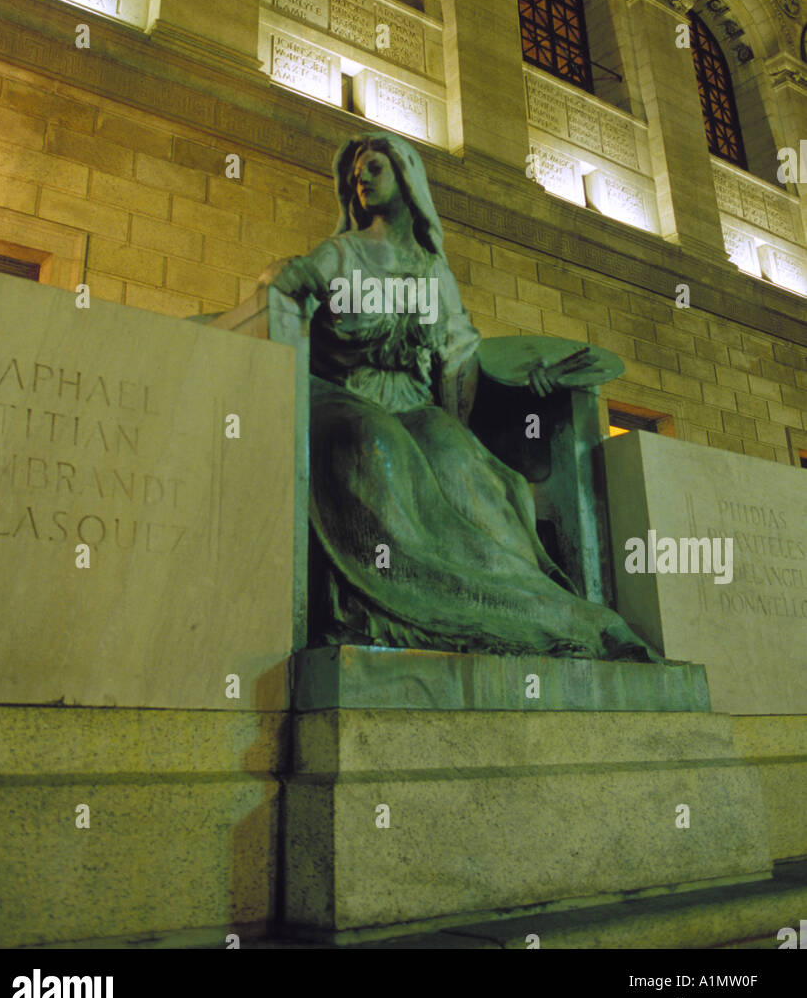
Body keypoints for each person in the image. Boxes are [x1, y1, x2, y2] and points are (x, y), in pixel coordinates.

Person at [258, 130, 655, 661]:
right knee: (377, 447)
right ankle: (415, 604)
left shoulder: (433, 272)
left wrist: (530, 384)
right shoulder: (341, 254)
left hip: (414, 408)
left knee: (474, 476)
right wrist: (274, 278)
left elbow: (463, 355)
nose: (363, 179)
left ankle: (556, 612)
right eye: (357, 175)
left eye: (376, 168)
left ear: (407, 178)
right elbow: (279, 290)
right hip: (340, 400)